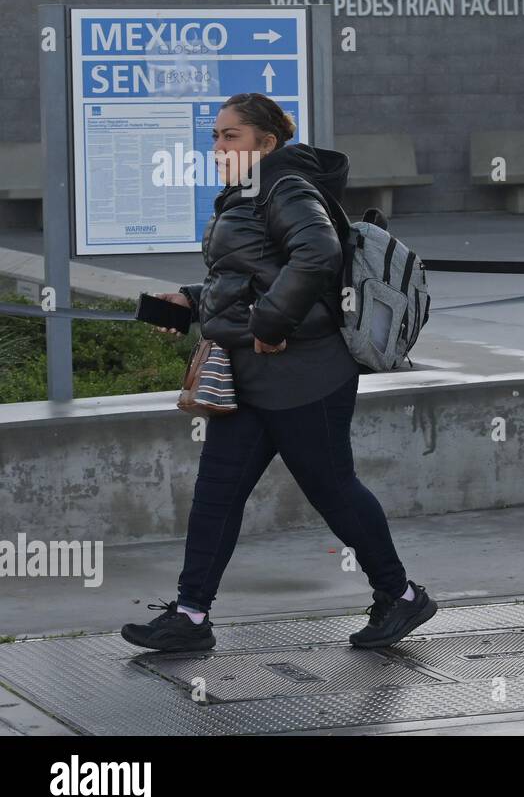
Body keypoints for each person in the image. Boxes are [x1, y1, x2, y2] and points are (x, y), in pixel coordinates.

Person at [121, 92, 436, 652]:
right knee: (216, 494)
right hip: (251, 374)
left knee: (333, 490)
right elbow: (249, 274)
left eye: (230, 136)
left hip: (306, 374)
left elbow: (316, 254)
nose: (217, 146)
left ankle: (401, 596)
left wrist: (269, 322)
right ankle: (190, 618)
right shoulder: (246, 192)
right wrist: (191, 301)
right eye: (215, 136)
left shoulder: (284, 187)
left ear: (265, 142)